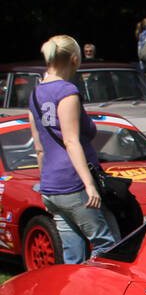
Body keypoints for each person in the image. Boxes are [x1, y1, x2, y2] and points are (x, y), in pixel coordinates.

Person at [28, 35, 119, 264]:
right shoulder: (67, 91)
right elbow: (71, 141)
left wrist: (45, 183)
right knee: (106, 245)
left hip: (51, 187)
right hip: (74, 183)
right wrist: (90, 185)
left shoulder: (34, 94)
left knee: (73, 255)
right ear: (74, 59)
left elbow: (39, 147)